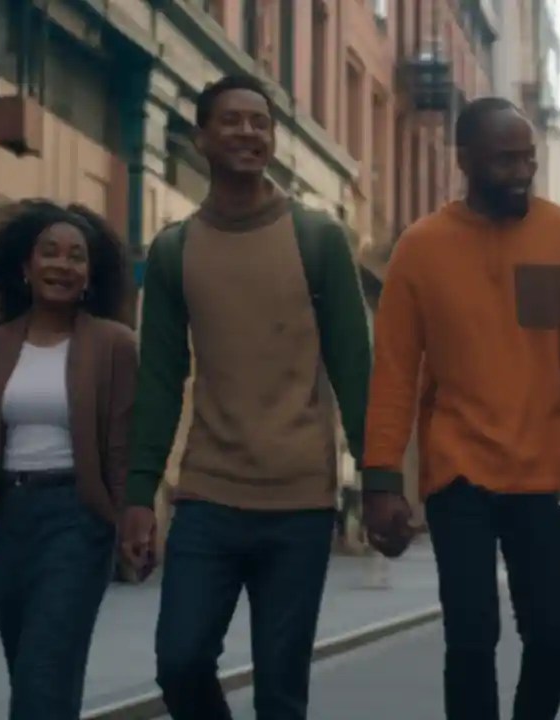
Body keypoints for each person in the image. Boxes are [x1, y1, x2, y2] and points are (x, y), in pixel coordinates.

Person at [361, 96, 560, 719]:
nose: (520, 171)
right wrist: (380, 481)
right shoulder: (421, 249)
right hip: (459, 474)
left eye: (527, 158)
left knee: (554, 639)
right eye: (504, 160)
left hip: (545, 473)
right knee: (472, 640)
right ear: (466, 160)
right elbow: (395, 372)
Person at [118, 75, 372, 720]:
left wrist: (383, 477)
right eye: (230, 121)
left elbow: (354, 367)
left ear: (273, 140)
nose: (247, 132)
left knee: (282, 691)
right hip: (208, 496)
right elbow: (158, 379)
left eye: (259, 122)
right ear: (201, 137)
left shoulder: (318, 239)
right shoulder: (176, 250)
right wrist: (139, 495)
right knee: (178, 663)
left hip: (299, 501)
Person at [0, 200, 135, 719]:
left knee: (42, 678)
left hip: (76, 521)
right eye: (49, 253)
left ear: (90, 276)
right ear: (25, 267)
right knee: (37, 672)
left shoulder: (113, 345)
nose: (61, 265)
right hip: (4, 527)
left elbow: (121, 449)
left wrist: (131, 523)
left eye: (76, 257)